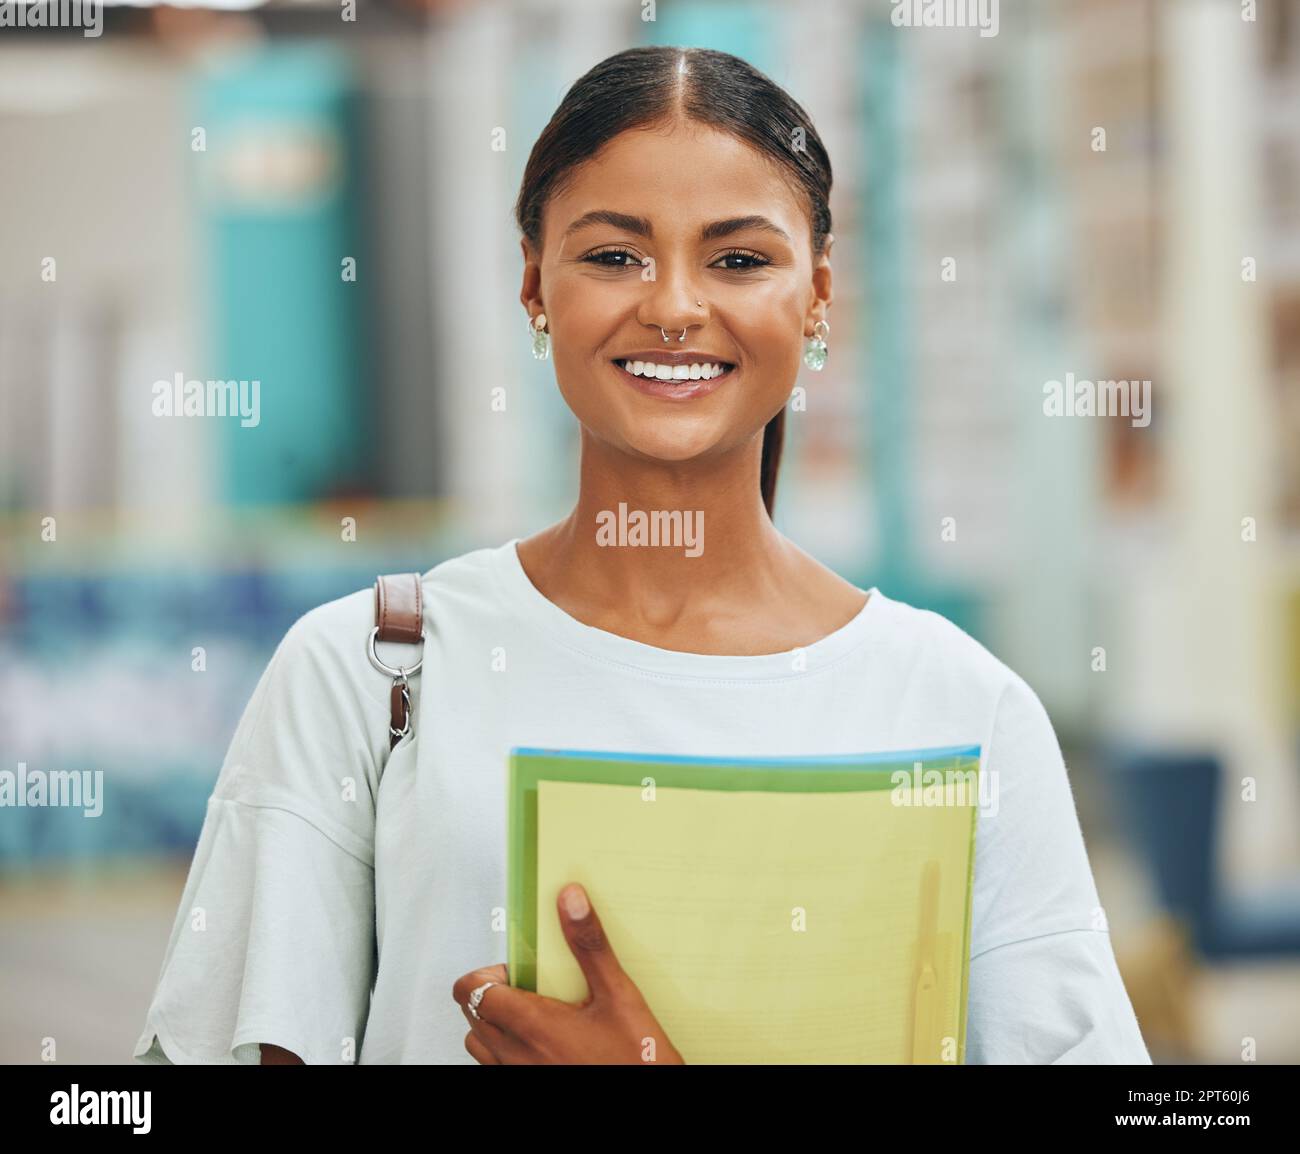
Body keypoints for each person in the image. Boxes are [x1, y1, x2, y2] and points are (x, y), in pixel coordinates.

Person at [133, 45, 1151, 1066]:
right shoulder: (369, 672)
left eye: (739, 259)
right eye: (614, 254)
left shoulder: (960, 712)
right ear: (535, 284)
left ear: (818, 295)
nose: (672, 305)